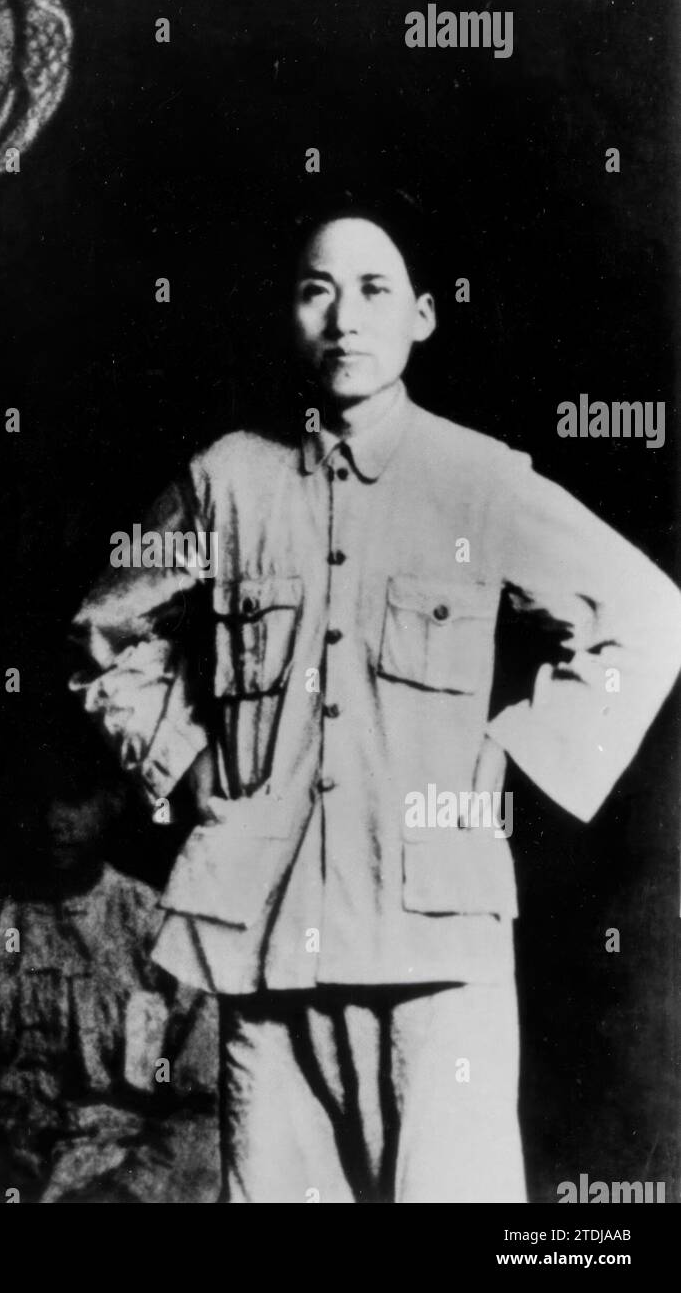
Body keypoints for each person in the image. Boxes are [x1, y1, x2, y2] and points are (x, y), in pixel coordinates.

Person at [67, 192, 681, 1203]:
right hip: (262, 928)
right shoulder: (229, 478)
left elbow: (645, 615)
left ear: (421, 316)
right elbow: (103, 627)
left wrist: (512, 757)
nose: (344, 319)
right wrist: (177, 756)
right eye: (317, 291)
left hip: (435, 938)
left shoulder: (479, 481)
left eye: (372, 290)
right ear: (288, 315)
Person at [0, 736, 219, 1203]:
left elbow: (208, 1112)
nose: (54, 819)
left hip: (125, 1180)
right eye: (37, 798)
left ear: (113, 801)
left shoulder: (159, 935)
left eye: (75, 797)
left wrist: (128, 1190)